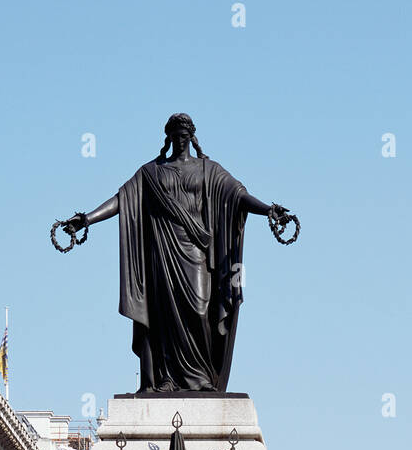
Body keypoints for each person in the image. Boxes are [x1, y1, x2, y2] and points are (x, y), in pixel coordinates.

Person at [55, 113, 295, 394]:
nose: (181, 140)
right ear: (168, 138)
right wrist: (87, 219)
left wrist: (269, 210)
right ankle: (167, 378)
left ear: (192, 137)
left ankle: (202, 377)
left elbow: (237, 195)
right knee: (164, 316)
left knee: (199, 309)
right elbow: (123, 200)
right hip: (162, 252)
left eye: (185, 135)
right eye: (175, 135)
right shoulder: (151, 173)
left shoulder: (209, 170)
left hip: (196, 251)